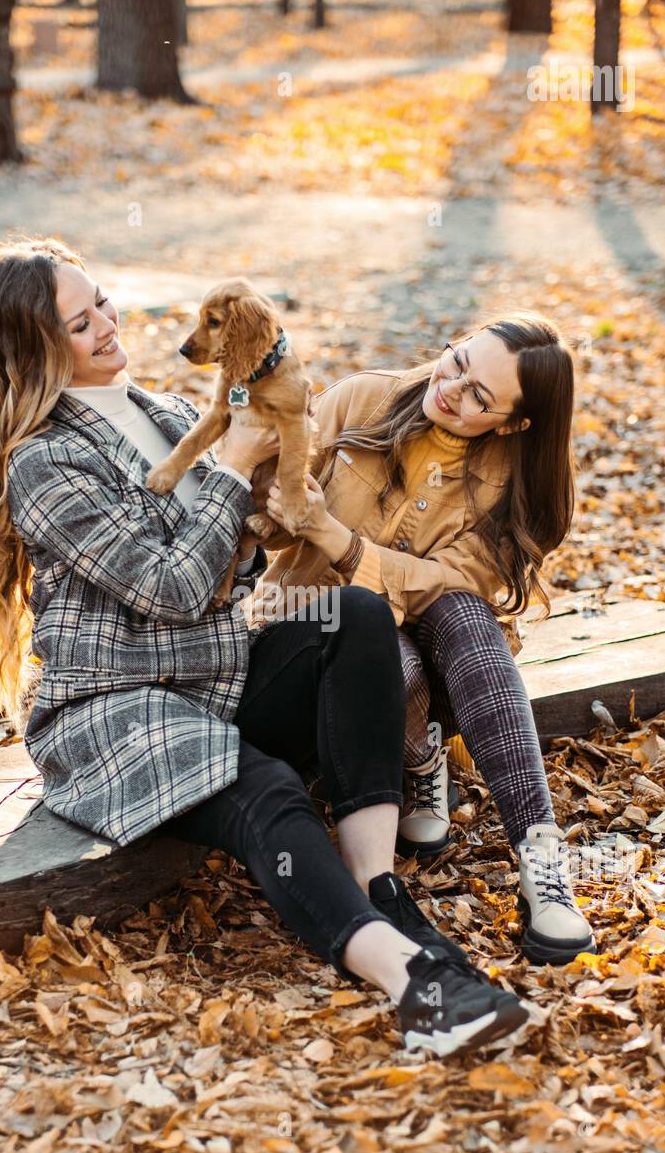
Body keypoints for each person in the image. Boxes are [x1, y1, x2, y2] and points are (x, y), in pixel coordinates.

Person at [0, 237, 529, 1058]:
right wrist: (231, 468)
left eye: (103, 300)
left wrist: (275, 504)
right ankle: (413, 983)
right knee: (267, 786)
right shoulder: (44, 460)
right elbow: (172, 588)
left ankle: (377, 887)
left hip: (212, 679)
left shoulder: (170, 415)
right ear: (39, 348)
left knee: (355, 616)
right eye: (81, 323)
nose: (110, 324)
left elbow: (231, 570)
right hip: (115, 711)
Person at [248, 318, 596, 966]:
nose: (452, 389)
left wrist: (335, 537)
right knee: (382, 638)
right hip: (318, 640)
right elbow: (263, 521)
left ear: (513, 424)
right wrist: (280, 492)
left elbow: (443, 585)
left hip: (447, 662)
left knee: (460, 611)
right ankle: (418, 758)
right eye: (457, 362)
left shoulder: (514, 484)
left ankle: (542, 861)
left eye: (478, 398)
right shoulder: (360, 402)